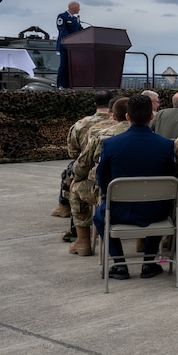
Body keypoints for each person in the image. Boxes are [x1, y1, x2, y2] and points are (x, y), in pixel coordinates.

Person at [93, 94, 177, 280]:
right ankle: (149, 263)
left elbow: (102, 180)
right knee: (161, 202)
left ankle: (119, 264)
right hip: (157, 212)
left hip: (120, 211)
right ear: (152, 116)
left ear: (127, 116)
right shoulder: (166, 145)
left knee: (99, 216)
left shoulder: (110, 144)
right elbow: (171, 176)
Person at [68, 96, 129, 256]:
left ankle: (83, 242)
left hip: (109, 195)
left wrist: (76, 178)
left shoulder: (102, 136)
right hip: (148, 199)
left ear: (113, 116)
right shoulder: (158, 138)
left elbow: (81, 165)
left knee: (75, 189)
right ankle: (141, 242)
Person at [55, 90, 112, 220]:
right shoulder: (119, 123)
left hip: (88, 170)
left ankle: (65, 208)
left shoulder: (81, 124)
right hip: (113, 171)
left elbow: (73, 153)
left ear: (95, 103)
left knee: (70, 173)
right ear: (112, 103)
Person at [55, 1, 82, 89]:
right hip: (64, 46)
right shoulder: (62, 16)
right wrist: (71, 39)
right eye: (78, 7)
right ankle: (61, 84)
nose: (79, 9)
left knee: (71, 66)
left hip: (73, 47)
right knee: (64, 65)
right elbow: (62, 30)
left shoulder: (75, 19)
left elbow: (80, 30)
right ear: (73, 8)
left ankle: (69, 84)